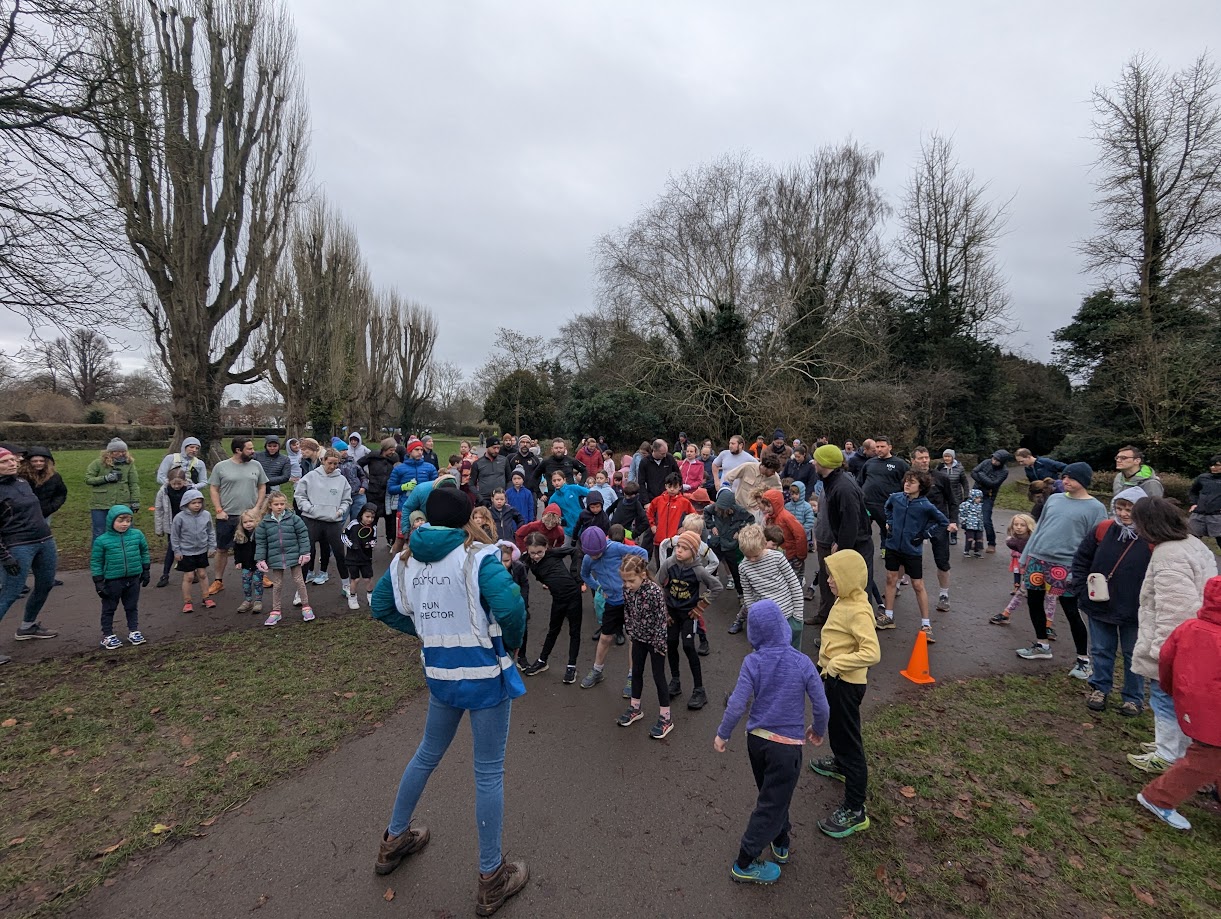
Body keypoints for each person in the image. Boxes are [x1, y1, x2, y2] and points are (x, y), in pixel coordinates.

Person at [369, 486, 528, 915]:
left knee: (426, 755)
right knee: (488, 772)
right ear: (464, 520)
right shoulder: (478, 558)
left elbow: (382, 607)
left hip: (441, 676)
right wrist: (510, 644)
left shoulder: (405, 561)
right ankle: (491, 875)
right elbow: (511, 608)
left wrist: (428, 636)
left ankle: (393, 839)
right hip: (484, 679)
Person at [715, 597, 829, 884]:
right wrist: (818, 728)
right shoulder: (802, 662)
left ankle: (780, 840)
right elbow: (822, 705)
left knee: (773, 794)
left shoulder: (752, 662)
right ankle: (745, 860)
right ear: (783, 627)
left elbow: (737, 703)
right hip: (786, 747)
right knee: (771, 801)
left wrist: (723, 733)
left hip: (757, 742)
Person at [1127, 497, 1218, 774]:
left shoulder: (1168, 554)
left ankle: (1167, 754)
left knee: (1164, 698)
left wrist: (1162, 654)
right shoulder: (1192, 543)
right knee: (1181, 701)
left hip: (1174, 642)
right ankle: (1173, 747)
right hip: (1197, 638)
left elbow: (1174, 609)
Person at [1135, 575, 1221, 832]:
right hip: (1214, 712)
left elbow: (1167, 658)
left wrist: (1170, 687)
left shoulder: (1189, 627)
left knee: (1211, 754)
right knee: (1205, 758)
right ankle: (1158, 797)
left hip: (1192, 704)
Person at [809, 548, 881, 839]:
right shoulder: (845, 598)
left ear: (849, 579)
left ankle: (855, 809)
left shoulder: (859, 610)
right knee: (837, 731)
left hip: (846, 685)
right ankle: (839, 764)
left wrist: (837, 664)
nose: (827, 580)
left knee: (850, 741)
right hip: (834, 679)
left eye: (833, 576)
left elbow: (872, 652)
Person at [1015, 463, 1108, 676]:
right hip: (1038, 559)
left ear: (1083, 481)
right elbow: (1039, 529)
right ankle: (1042, 645)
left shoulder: (1096, 508)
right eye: (1064, 477)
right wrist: (1026, 557)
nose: (1065, 481)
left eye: (1071, 478)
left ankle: (1083, 660)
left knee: (1071, 610)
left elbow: (1097, 542)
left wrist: (1083, 570)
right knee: (1034, 602)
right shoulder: (1055, 499)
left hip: (1067, 565)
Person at [1072, 487, 1154, 715]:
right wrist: (1080, 587)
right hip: (1100, 603)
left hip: (1134, 607)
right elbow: (1082, 558)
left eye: (1130, 509)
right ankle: (1100, 688)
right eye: (1120, 508)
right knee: (1101, 649)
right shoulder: (1104, 529)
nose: (1124, 514)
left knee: (1133, 653)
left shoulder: (1151, 536)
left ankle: (1133, 698)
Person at [0, 446, 59, 658]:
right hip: (18, 545)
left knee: (45, 584)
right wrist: (5, 557)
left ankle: (27, 626)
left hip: (44, 541)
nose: (12, 463)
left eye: (12, 460)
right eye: (5, 462)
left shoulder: (22, 482)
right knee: (10, 593)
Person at [878, 471, 949, 642]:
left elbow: (943, 522)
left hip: (912, 550)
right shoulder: (896, 498)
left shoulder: (926, 505)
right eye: (906, 481)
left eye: (912, 482)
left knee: (918, 585)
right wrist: (891, 523)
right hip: (893, 546)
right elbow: (887, 507)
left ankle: (926, 625)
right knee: (890, 578)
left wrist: (925, 535)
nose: (907, 484)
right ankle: (888, 617)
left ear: (921, 486)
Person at [812, 444, 877, 624]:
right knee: (840, 587)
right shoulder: (832, 481)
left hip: (857, 546)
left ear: (825, 463)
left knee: (856, 591)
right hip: (847, 543)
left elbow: (850, 521)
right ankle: (835, 624)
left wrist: (842, 546)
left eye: (816, 459)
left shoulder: (843, 487)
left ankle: (860, 631)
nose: (813, 462)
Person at [656, 530, 721, 709]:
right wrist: (664, 611)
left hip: (688, 614)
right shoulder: (669, 563)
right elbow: (657, 584)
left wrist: (701, 606)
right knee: (670, 643)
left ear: (693, 551)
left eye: (684, 549)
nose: (679, 551)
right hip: (671, 613)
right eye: (678, 547)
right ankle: (675, 681)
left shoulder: (699, 570)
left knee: (688, 646)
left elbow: (716, 587)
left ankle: (699, 689)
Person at [578, 526, 649, 689]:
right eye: (592, 554)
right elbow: (584, 575)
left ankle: (633, 676)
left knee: (633, 638)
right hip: (611, 602)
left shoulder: (615, 548)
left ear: (604, 545)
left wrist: (638, 580)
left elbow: (642, 553)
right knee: (605, 637)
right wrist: (598, 588)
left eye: (598, 553)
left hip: (629, 600)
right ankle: (597, 671)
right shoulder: (588, 559)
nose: (595, 557)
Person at [616, 553, 674, 738]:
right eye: (625, 581)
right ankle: (635, 708)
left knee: (659, 677)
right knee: (637, 673)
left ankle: (666, 718)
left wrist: (659, 644)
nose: (627, 585)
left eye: (631, 580)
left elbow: (661, 620)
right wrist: (631, 632)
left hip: (655, 642)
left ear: (642, 575)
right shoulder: (627, 590)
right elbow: (627, 612)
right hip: (638, 639)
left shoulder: (655, 592)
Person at [207, 437, 269, 596]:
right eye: (249, 448)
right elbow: (214, 489)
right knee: (222, 549)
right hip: (228, 516)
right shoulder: (221, 467)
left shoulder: (256, 465)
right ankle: (218, 581)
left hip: (251, 515)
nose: (253, 451)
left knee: (256, 545)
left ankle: (260, 574)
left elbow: (262, 486)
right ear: (238, 450)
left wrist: (257, 508)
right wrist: (219, 510)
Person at [520, 532, 584, 684]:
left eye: (539, 552)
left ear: (546, 547)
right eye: (532, 553)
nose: (536, 556)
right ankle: (542, 661)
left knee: (574, 632)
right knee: (553, 630)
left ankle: (571, 666)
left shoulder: (553, 553)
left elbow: (575, 551)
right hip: (558, 599)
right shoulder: (526, 561)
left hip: (573, 596)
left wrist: (575, 574)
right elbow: (519, 574)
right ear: (527, 550)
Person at [90, 505, 151, 650]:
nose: (125, 524)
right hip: (112, 580)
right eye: (121, 520)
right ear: (111, 521)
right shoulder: (102, 540)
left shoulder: (137, 535)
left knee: (131, 606)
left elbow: (144, 551)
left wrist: (146, 569)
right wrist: (98, 581)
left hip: (133, 578)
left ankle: (134, 630)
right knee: (109, 608)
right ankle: (107, 635)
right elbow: (96, 561)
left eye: (128, 520)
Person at [732, 524, 804, 645]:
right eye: (747, 556)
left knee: (792, 653)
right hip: (766, 619)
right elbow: (748, 595)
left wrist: (798, 616)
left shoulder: (778, 558)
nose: (752, 560)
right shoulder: (743, 567)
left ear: (763, 544)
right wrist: (753, 617)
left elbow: (794, 584)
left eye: (755, 555)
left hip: (789, 616)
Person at [295, 450, 352, 593]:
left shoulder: (341, 480)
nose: (332, 466)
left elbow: (346, 499)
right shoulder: (311, 476)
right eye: (330, 463)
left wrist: (340, 511)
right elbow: (299, 495)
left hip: (333, 521)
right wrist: (309, 508)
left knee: (339, 553)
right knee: (307, 553)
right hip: (312, 519)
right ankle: (300, 591)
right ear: (323, 460)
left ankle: (346, 585)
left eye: (335, 463)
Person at [254, 491, 313, 627]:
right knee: (277, 584)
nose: (280, 507)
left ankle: (306, 606)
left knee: (299, 581)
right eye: (276, 504)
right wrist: (260, 559)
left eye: (282, 504)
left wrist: (305, 552)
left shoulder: (294, 519)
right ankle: (276, 610)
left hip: (294, 555)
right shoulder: (264, 523)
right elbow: (261, 542)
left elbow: (303, 534)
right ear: (270, 505)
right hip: (275, 558)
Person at [85, 438, 141, 540]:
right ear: (110, 452)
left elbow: (134, 483)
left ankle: (125, 553)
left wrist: (135, 500)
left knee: (126, 529)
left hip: (123, 502)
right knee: (100, 531)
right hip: (100, 503)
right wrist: (105, 478)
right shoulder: (98, 463)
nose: (121, 454)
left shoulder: (129, 464)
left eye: (123, 451)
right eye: (118, 451)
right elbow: (88, 479)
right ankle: (99, 555)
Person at [171, 487, 217, 613]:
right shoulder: (179, 518)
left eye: (199, 502)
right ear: (186, 503)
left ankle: (206, 597)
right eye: (193, 503)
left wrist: (212, 546)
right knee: (189, 576)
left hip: (201, 550)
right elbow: (174, 536)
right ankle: (187, 601)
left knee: (202, 574)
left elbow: (210, 531)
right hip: (186, 552)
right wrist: (177, 551)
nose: (197, 505)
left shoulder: (206, 515)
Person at [857, 436, 908, 544]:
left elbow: (908, 483)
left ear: (890, 447)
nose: (879, 449)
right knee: (861, 530)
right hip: (867, 503)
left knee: (888, 531)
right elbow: (859, 481)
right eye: (877, 446)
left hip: (886, 505)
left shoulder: (900, 464)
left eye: (882, 446)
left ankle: (886, 550)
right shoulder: (869, 463)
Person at [989, 514, 1038, 626]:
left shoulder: (1035, 539)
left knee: (1050, 598)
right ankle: (1006, 614)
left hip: (1045, 568)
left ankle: (1048, 626)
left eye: (1022, 525)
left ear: (1029, 526)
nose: (1018, 527)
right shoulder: (1013, 541)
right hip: (1031, 570)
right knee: (1021, 591)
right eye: (1016, 524)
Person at [154, 467, 192, 588]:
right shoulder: (163, 492)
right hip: (172, 524)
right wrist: (159, 529)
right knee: (172, 548)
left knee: (190, 548)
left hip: (188, 524)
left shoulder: (191, 490)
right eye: (173, 483)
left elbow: (199, 507)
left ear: (184, 481)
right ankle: (165, 574)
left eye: (179, 483)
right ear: (168, 481)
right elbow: (159, 510)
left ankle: (192, 571)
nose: (176, 486)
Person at [970, 449, 1014, 552]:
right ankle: (977, 542)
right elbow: (973, 472)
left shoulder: (1004, 471)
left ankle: (991, 543)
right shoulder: (986, 462)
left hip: (988, 496)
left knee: (986, 520)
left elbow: (993, 484)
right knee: (973, 519)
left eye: (997, 460)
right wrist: (985, 480)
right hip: (976, 494)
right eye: (993, 458)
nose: (993, 461)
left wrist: (980, 475)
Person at [360, 438, 400, 546]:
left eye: (394, 450)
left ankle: (391, 540)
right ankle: (369, 539)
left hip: (388, 492)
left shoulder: (395, 458)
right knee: (372, 517)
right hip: (374, 491)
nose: (393, 452)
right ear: (384, 448)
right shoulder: (373, 456)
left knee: (390, 518)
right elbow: (358, 465)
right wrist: (366, 477)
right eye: (391, 449)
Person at [342, 504, 380, 610]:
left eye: (372, 517)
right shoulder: (353, 524)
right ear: (361, 514)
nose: (370, 519)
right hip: (352, 558)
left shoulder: (373, 527)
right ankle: (352, 597)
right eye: (367, 516)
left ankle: (371, 597)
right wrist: (351, 544)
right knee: (355, 579)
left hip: (366, 558)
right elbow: (343, 535)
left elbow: (374, 539)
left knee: (368, 579)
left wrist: (371, 544)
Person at [232, 505, 265, 615]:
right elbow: (237, 550)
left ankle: (258, 601)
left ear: (257, 521)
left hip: (258, 564)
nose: (248, 524)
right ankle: (248, 600)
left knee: (257, 581)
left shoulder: (260, 534)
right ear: (242, 524)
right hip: (246, 564)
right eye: (245, 522)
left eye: (251, 521)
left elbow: (265, 547)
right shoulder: (240, 535)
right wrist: (238, 561)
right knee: (246, 582)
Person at [1186, 454, 1221, 544]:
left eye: (1217, 465)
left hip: (1217, 516)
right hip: (1199, 514)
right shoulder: (1203, 478)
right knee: (1190, 540)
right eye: (1211, 465)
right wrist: (1194, 503)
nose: (1213, 467)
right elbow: (1193, 491)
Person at [638, 439, 682, 507]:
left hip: (669, 498)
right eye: (662, 453)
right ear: (654, 450)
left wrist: (679, 495)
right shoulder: (645, 462)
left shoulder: (669, 458)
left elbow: (678, 476)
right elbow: (641, 483)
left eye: (666, 453)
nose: (665, 456)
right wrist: (646, 502)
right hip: (652, 499)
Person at [471, 437, 509, 506]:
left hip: (500, 499)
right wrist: (480, 498)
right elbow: (471, 484)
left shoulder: (504, 460)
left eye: (498, 448)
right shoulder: (477, 463)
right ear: (487, 447)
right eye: (494, 448)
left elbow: (509, 480)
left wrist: (506, 494)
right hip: (484, 499)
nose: (497, 451)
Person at [958, 489, 986, 557]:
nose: (979, 499)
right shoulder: (966, 505)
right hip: (969, 525)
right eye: (977, 498)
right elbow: (962, 513)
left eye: (980, 498)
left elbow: (982, 515)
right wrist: (963, 522)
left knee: (979, 538)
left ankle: (977, 550)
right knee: (970, 538)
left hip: (979, 525)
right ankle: (966, 551)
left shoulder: (981, 506)